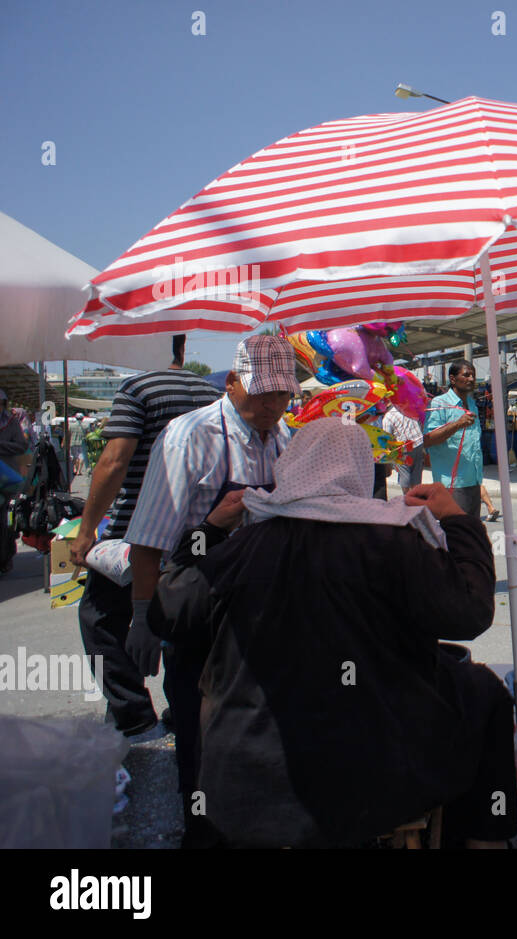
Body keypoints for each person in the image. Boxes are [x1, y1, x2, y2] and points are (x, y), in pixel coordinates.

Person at [148, 418, 516, 847]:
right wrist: (458, 520)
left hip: (245, 784)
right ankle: (485, 838)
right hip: (380, 785)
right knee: (485, 693)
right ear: (360, 470)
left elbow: (166, 610)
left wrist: (209, 530)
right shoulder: (394, 540)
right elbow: (470, 612)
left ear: (292, 467)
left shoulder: (244, 545)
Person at [123, 335, 296, 845]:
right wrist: (141, 618)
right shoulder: (189, 437)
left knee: (257, 740)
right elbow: (154, 544)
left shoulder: (282, 437)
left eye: (283, 395)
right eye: (264, 394)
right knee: (202, 748)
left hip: (261, 617)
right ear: (234, 381)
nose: (273, 406)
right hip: (200, 608)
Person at [70, 335, 220, 742]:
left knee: (99, 618)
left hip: (136, 532)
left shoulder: (138, 388)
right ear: (183, 350)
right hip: (196, 535)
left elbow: (115, 459)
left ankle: (133, 713)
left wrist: (86, 531)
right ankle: (187, 709)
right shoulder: (212, 392)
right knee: (183, 625)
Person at [424, 360, 484, 518]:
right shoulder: (439, 403)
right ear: (453, 379)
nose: (471, 379)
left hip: (474, 481)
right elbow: (428, 439)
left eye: (473, 375)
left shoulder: (472, 404)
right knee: (456, 536)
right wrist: (457, 424)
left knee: (471, 535)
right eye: (466, 375)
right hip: (452, 484)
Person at [382, 403, 427, 492]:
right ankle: (415, 497)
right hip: (418, 443)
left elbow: (386, 439)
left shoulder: (389, 417)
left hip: (403, 449)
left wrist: (388, 460)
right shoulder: (409, 408)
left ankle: (407, 498)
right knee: (416, 475)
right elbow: (420, 424)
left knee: (404, 475)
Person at [0, 390, 33, 482]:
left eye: (1, 404)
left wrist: (2, 446)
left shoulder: (11, 422)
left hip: (5, 473)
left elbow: (22, 445)